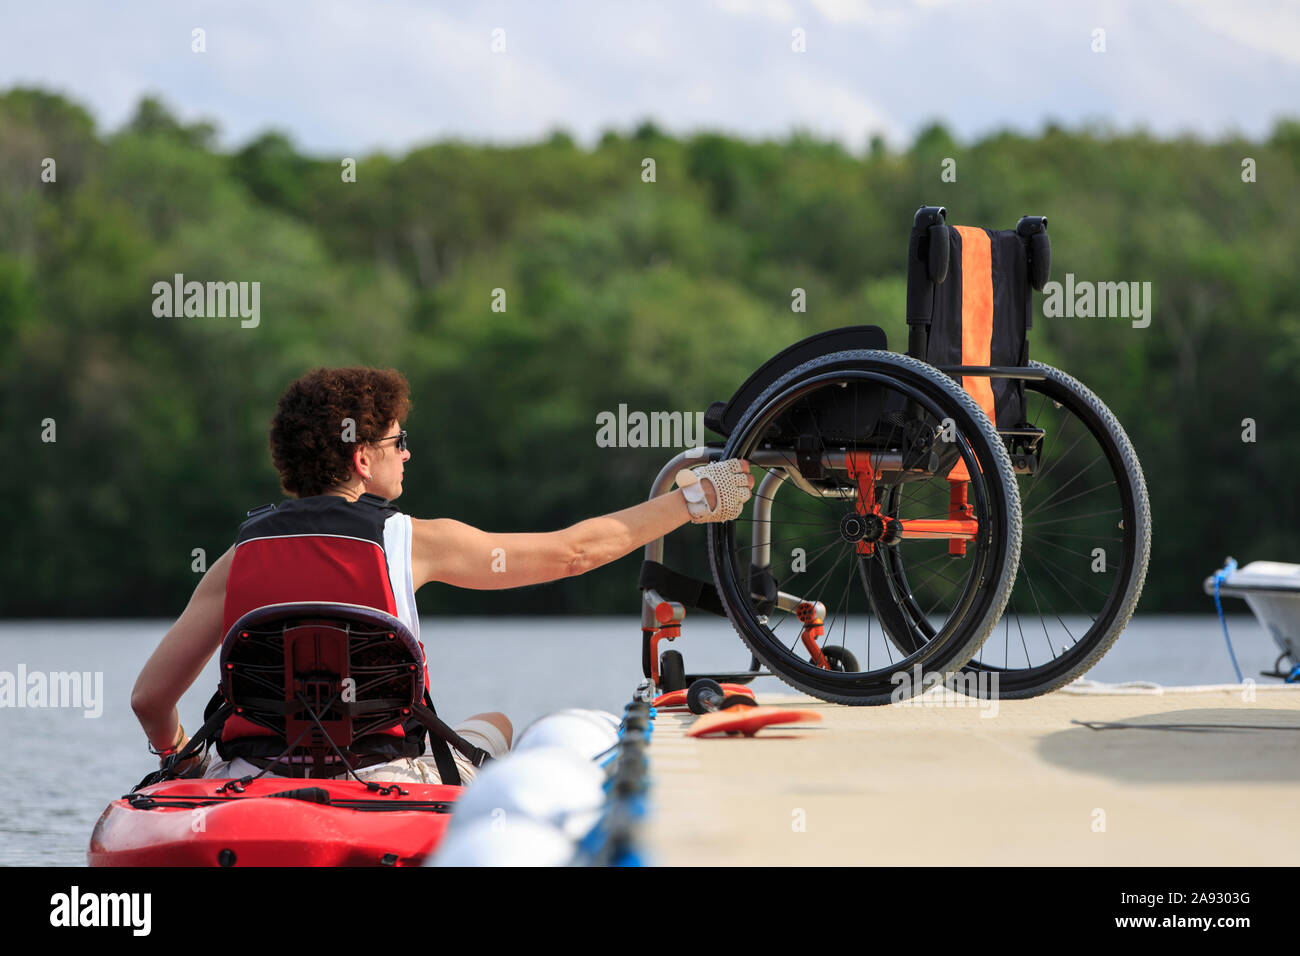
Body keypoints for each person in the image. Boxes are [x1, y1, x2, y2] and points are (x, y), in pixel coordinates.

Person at [131, 367, 753, 785]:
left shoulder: (237, 558)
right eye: (399, 442)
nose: (407, 453)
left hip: (250, 777)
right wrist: (693, 501)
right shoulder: (413, 541)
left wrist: (178, 757)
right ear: (362, 457)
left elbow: (149, 700)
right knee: (501, 727)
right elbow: (572, 554)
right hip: (382, 777)